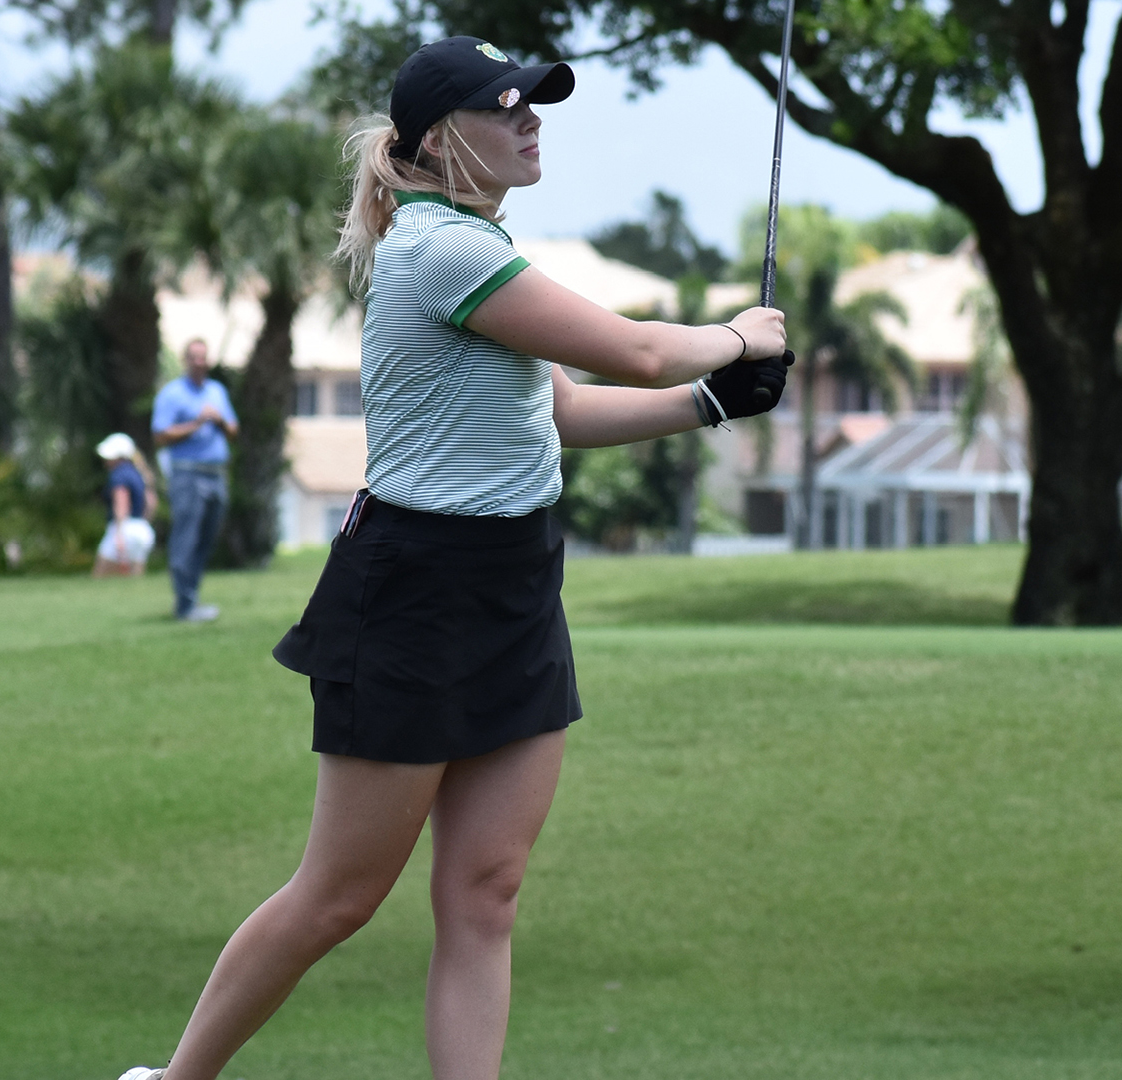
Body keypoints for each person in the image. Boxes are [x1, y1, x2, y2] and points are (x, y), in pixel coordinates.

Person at [114, 37, 787, 1080]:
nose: (532, 121)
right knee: (338, 897)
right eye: (508, 105)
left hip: (516, 585)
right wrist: (735, 338)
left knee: (486, 892)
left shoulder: (480, 244)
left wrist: (705, 403)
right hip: (415, 591)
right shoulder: (441, 250)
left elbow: (556, 408)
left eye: (534, 106)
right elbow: (639, 348)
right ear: (437, 140)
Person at [152, 338, 239, 621]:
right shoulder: (172, 394)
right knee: (186, 537)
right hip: (188, 474)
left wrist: (220, 421)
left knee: (207, 538)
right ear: (185, 360)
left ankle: (191, 597)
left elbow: (233, 429)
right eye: (194, 357)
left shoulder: (217, 391)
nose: (199, 362)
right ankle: (184, 605)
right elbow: (160, 436)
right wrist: (197, 423)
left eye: (203, 357)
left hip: (217, 474)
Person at [94, 433, 158, 576]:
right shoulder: (140, 473)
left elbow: (121, 503)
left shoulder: (119, 474)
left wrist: (119, 534)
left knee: (99, 579)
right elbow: (151, 503)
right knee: (133, 582)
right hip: (142, 529)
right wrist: (143, 523)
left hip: (124, 529)